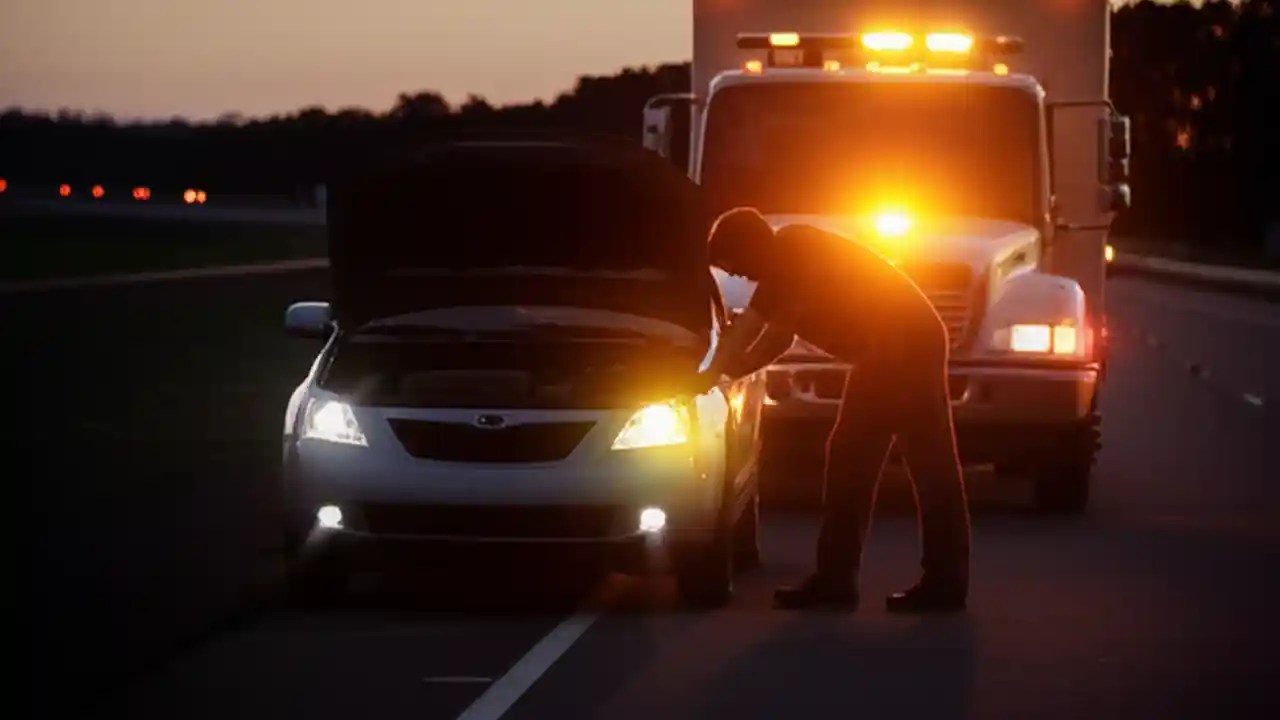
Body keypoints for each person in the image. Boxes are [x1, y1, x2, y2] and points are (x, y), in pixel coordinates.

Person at [695, 207, 971, 612]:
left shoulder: (787, 255)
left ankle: (845, 580)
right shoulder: (788, 258)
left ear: (749, 248)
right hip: (896, 345)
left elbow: (748, 331)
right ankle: (917, 580)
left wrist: (704, 376)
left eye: (733, 268)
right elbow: (779, 339)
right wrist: (731, 373)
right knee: (901, 462)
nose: (738, 279)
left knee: (884, 461)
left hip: (899, 347)